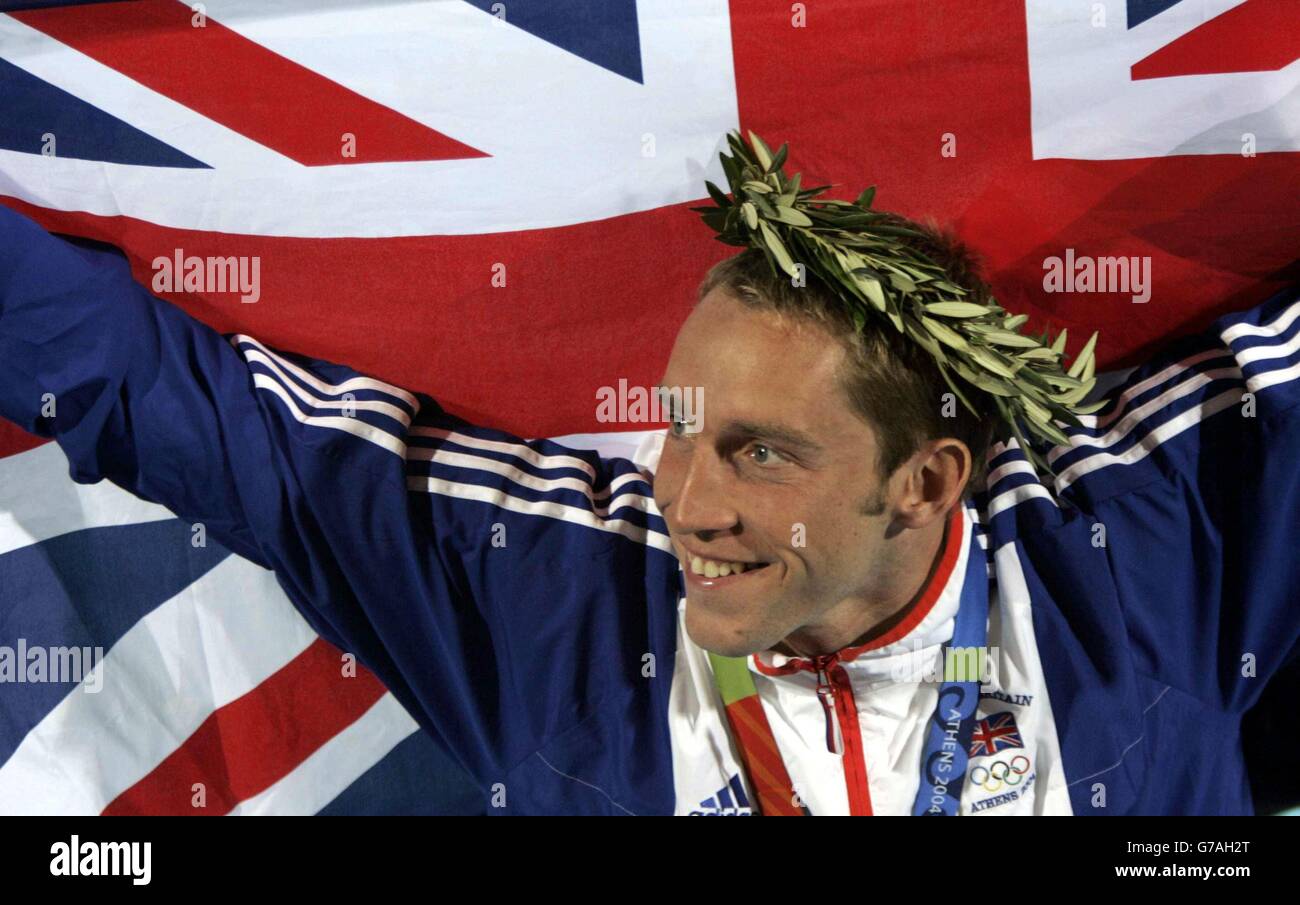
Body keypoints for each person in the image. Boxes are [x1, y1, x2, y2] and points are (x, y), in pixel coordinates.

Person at [1, 132, 1297, 815]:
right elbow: (178, 402)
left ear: (923, 479)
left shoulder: (1133, 536)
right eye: (677, 427)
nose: (685, 497)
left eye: (760, 452)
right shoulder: (554, 598)